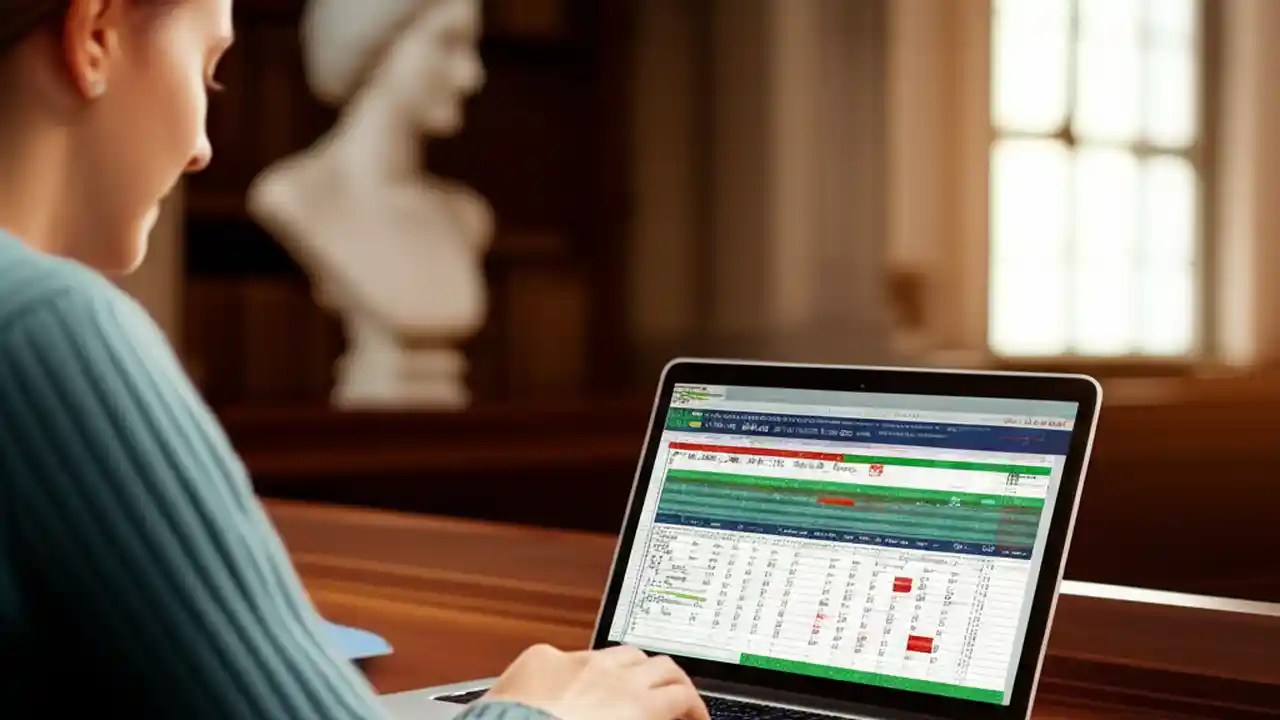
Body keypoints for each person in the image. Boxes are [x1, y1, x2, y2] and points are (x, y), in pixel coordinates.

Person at [0, 2, 711, 719]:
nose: (202, 150)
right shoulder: (47, 327)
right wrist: (553, 712)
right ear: (95, 35)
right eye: (210, 71)